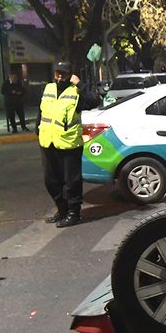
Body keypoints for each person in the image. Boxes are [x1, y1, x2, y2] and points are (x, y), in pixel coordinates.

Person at [36, 61, 99, 228]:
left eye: (63, 73)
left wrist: (80, 84)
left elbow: (94, 101)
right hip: (47, 142)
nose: (59, 76)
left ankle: (74, 213)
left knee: (71, 182)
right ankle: (62, 209)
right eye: (57, 72)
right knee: (51, 181)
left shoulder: (76, 92)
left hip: (69, 143)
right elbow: (41, 113)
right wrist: (38, 132)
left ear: (70, 74)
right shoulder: (48, 89)